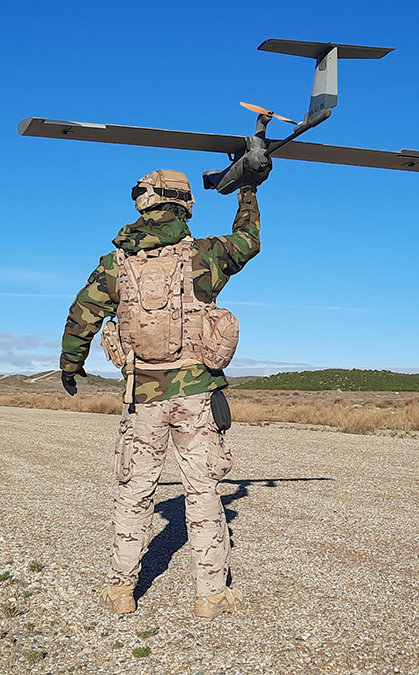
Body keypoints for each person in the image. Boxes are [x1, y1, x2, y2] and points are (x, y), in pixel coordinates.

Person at [59, 167, 266, 618]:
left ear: (143, 203)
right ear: (185, 203)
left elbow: (82, 315)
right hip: (196, 397)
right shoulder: (206, 255)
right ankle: (210, 596)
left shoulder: (116, 263)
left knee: (134, 493)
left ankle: (120, 593)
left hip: (142, 399)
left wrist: (71, 364)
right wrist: (248, 190)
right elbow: (249, 239)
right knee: (204, 492)